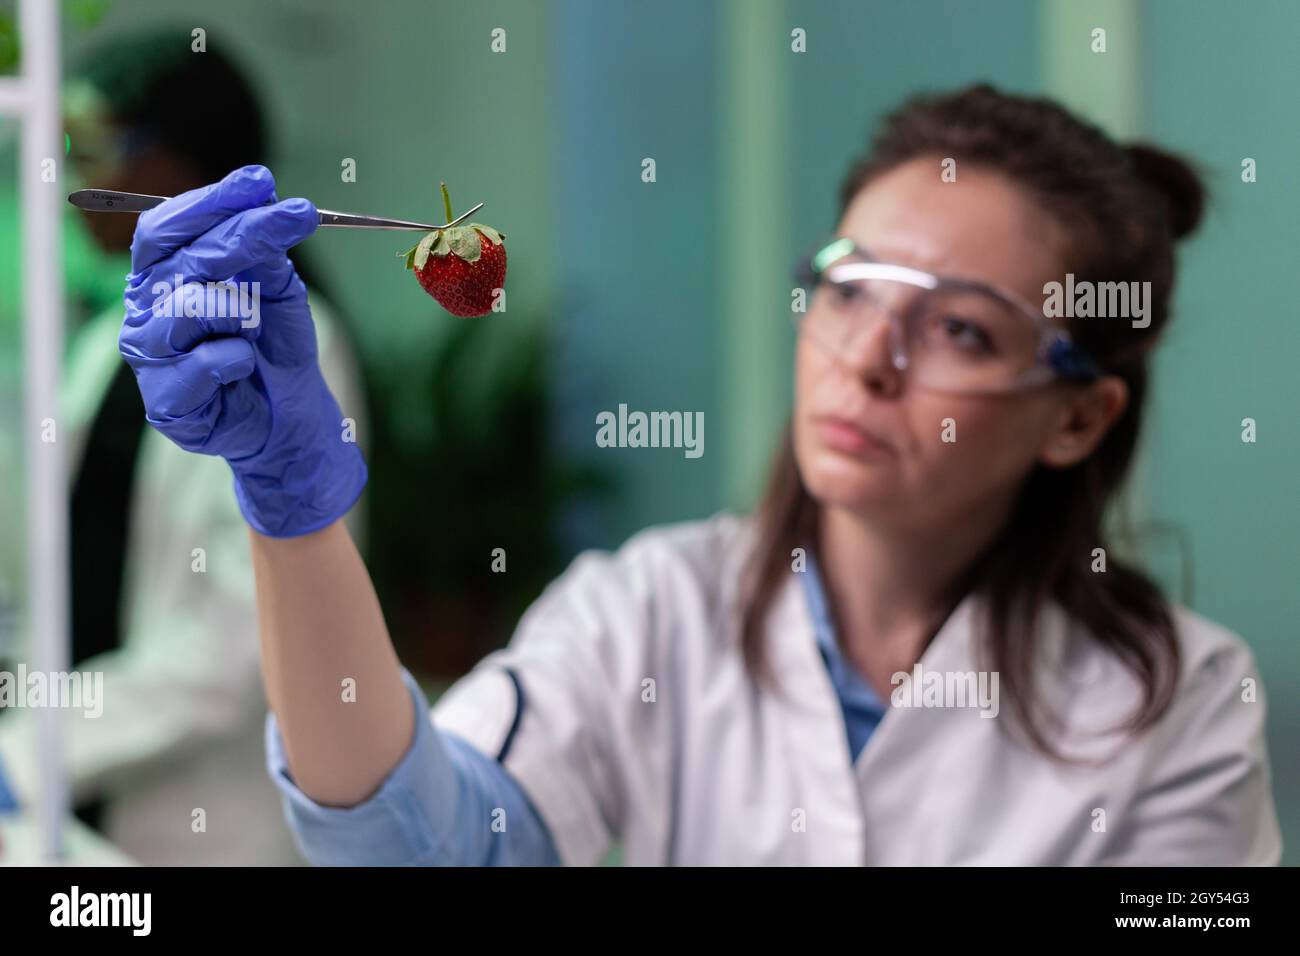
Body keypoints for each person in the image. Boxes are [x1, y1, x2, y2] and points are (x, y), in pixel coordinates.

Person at [116, 84, 1280, 865]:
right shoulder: (650, 613)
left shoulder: (1177, 708)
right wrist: (291, 509)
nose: (868, 359)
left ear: (1077, 416)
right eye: (849, 287)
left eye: (961, 329)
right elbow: (414, 841)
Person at [0, 32, 366, 865]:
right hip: (86, 812)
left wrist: (38, 747)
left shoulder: (293, 355)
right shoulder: (105, 353)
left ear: (180, 165)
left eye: (91, 147)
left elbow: (235, 642)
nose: (74, 183)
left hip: (215, 824)